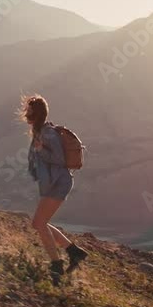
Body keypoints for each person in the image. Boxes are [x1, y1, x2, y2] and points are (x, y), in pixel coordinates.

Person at [21, 94, 88, 285]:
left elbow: (59, 160)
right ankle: (74, 252)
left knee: (39, 224)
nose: (26, 114)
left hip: (60, 182)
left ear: (36, 114)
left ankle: (56, 266)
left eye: (29, 111)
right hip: (53, 182)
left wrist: (41, 149)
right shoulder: (39, 132)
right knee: (40, 223)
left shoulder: (48, 133)